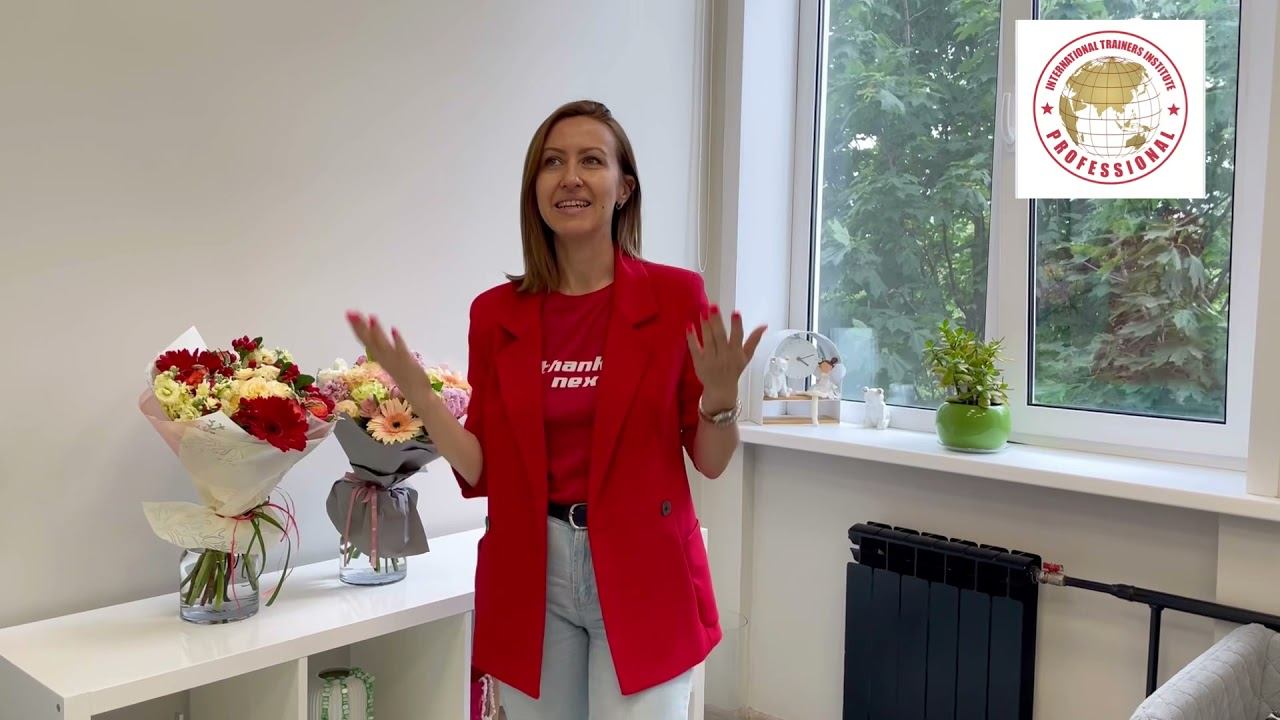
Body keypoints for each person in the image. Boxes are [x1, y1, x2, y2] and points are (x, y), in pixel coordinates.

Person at [346, 99, 766, 719]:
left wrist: (721, 400)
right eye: (552, 163)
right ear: (534, 188)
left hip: (644, 568)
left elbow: (710, 461)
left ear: (624, 188)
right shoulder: (496, 313)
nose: (570, 177)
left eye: (591, 161)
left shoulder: (676, 297)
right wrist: (423, 396)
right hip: (531, 568)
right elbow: (482, 467)